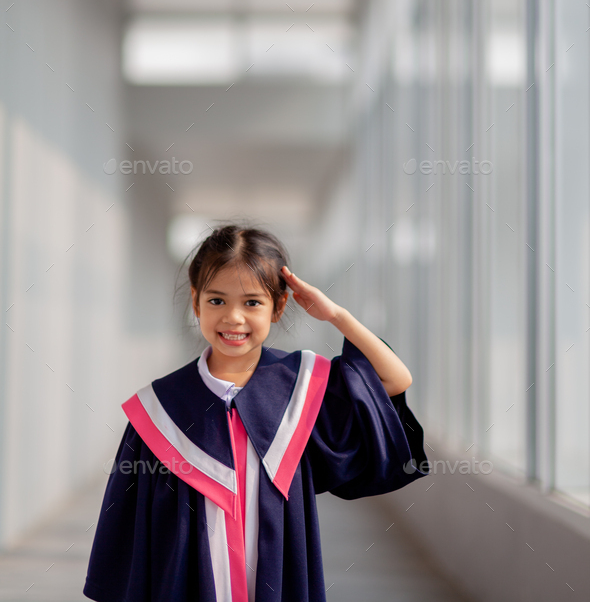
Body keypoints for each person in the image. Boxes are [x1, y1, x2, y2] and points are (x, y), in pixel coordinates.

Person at [83, 225, 429, 602]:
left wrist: (336, 316)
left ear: (279, 307)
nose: (233, 318)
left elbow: (395, 379)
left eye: (252, 302)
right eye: (217, 301)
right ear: (195, 302)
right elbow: (126, 533)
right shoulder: (160, 408)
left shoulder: (300, 386)